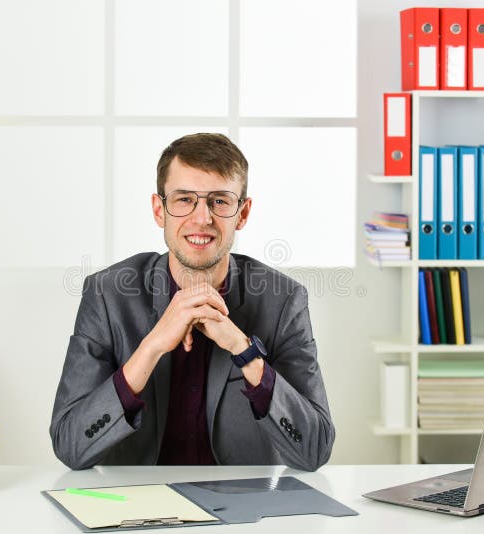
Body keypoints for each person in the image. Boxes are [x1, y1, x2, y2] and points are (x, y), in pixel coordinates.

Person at [50, 133, 334, 471]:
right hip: (135, 505)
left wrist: (246, 352)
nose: (202, 219)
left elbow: (314, 451)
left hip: (241, 510)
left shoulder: (284, 300)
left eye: (219, 201)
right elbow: (70, 446)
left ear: (242, 214)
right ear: (160, 210)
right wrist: (152, 346)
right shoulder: (107, 295)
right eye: (184, 199)